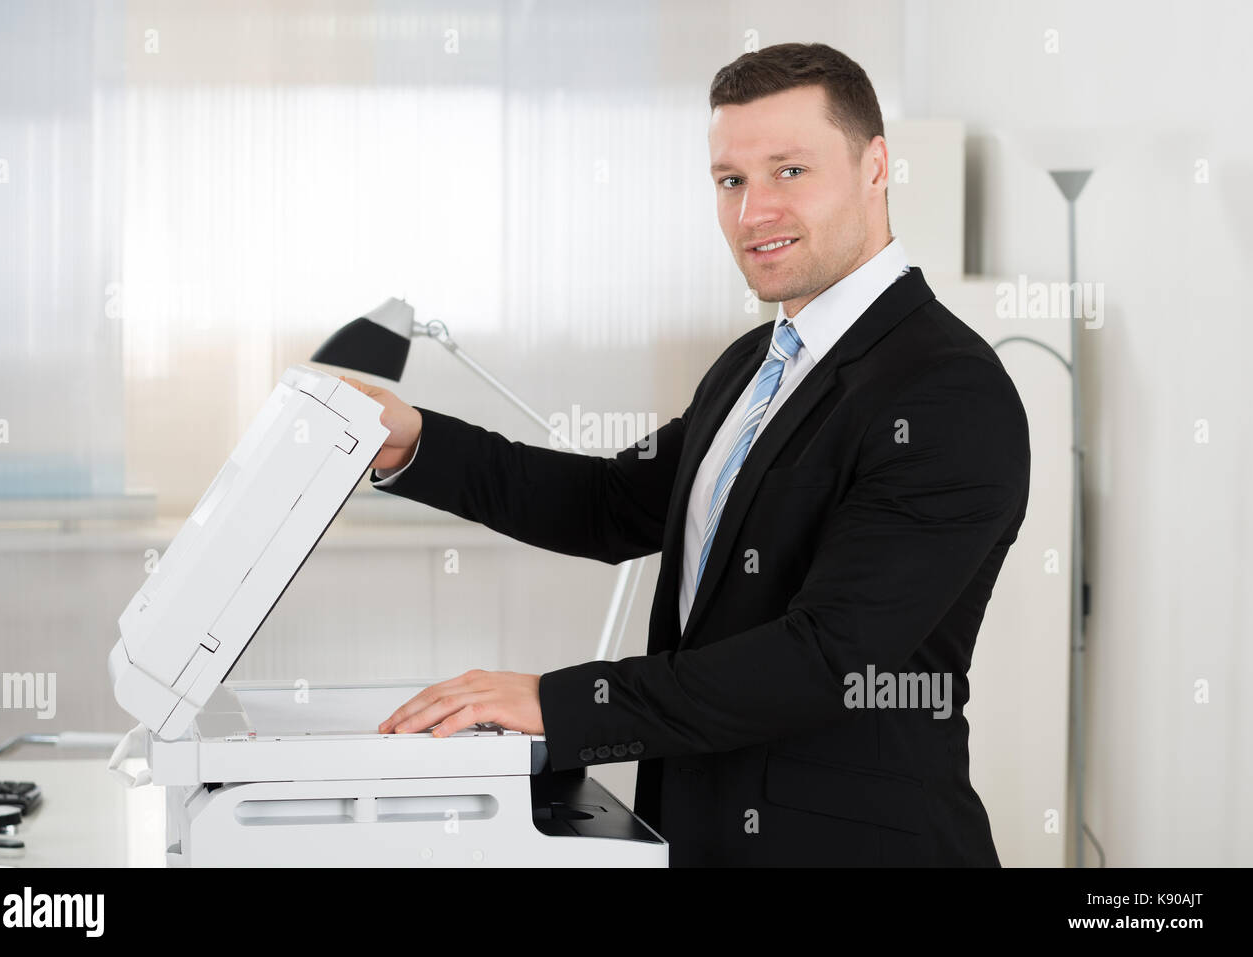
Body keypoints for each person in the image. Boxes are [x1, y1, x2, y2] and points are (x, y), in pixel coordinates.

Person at [342, 42, 1030, 867]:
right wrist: (415, 441)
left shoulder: (946, 389)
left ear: (876, 164)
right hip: (704, 829)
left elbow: (824, 659)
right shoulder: (753, 362)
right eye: (731, 180)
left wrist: (560, 702)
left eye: (789, 171)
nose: (752, 212)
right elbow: (609, 503)